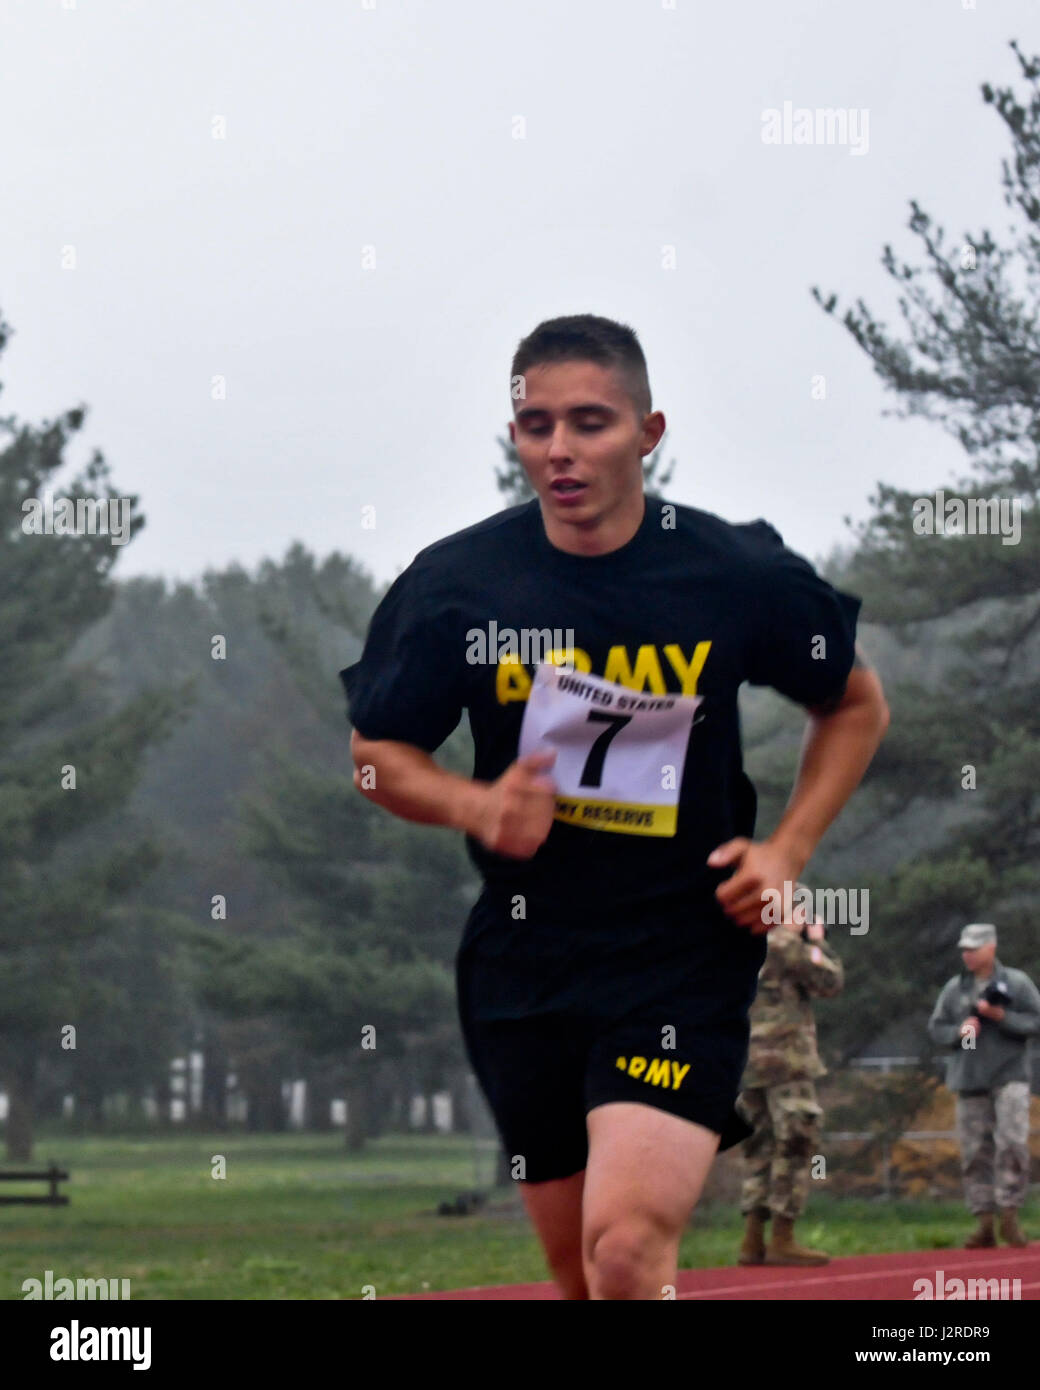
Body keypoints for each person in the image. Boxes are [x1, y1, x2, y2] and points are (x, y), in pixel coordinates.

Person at [341, 313, 889, 1300]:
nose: (559, 449)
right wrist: (473, 803)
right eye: (534, 425)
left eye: (589, 422)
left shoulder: (726, 574)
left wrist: (785, 852)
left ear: (648, 430)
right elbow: (376, 757)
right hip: (522, 962)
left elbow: (851, 702)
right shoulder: (458, 586)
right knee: (579, 1276)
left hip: (679, 953)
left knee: (627, 1254)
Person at [736, 901, 843, 1267]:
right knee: (797, 1141)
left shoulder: (741, 941)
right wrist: (817, 942)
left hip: (747, 1062)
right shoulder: (784, 944)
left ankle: (752, 1239)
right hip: (786, 1061)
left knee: (760, 1146)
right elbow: (830, 981)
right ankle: (782, 1237)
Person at [928, 922, 1040, 1248]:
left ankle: (1010, 1217)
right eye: (964, 949)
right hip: (970, 1078)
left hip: (1009, 1076)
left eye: (973, 949)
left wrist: (1003, 1017)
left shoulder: (1016, 983)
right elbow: (936, 1029)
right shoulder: (954, 989)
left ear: (991, 948)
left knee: (1012, 1144)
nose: (967, 955)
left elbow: (1037, 1020)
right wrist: (958, 1031)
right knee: (975, 1152)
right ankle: (984, 1222)